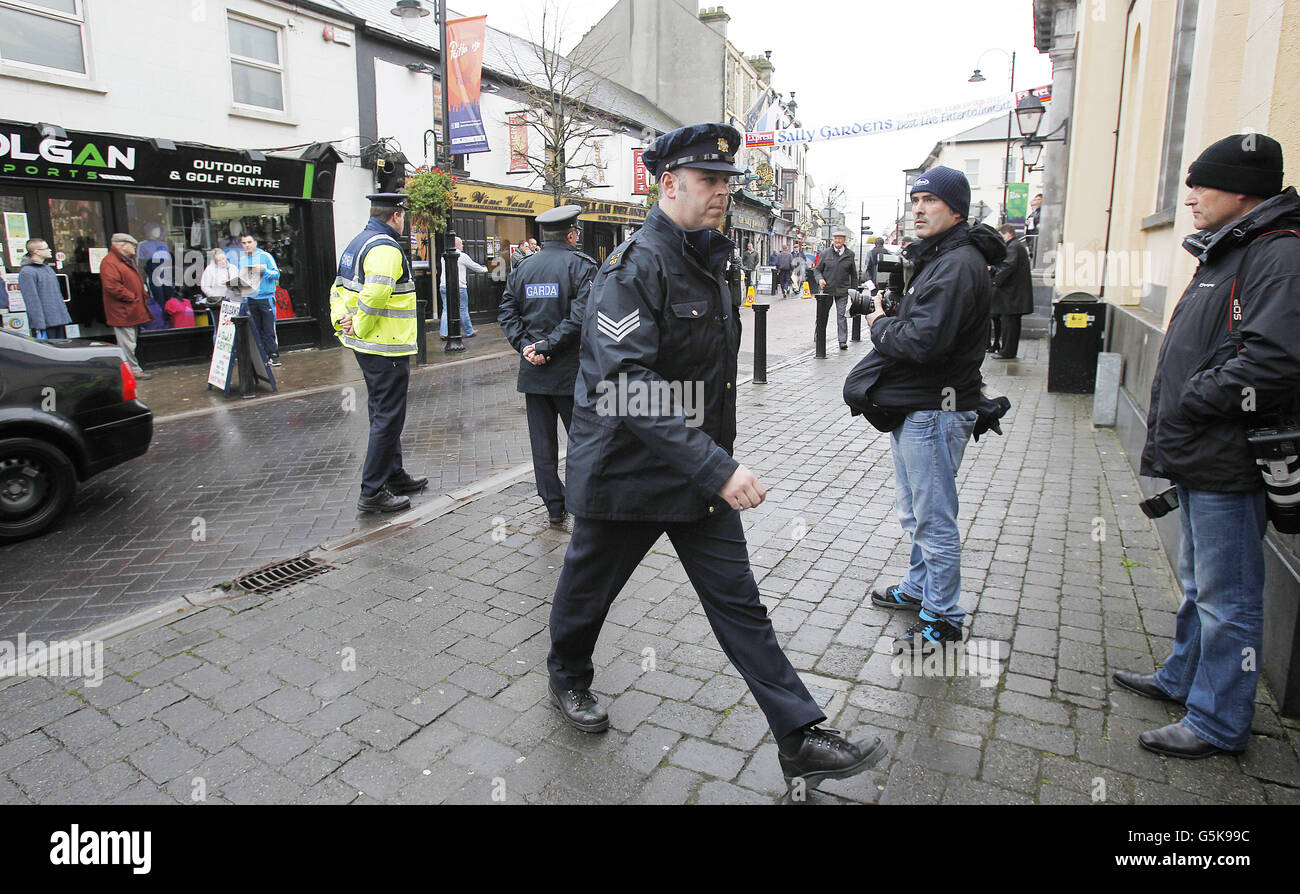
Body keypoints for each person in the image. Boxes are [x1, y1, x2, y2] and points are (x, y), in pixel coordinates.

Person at [547, 122, 886, 788]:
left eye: (726, 183)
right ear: (666, 184)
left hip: (695, 477)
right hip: (627, 475)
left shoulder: (712, 259)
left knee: (740, 605)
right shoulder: (633, 268)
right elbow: (624, 384)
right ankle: (567, 675)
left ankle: (799, 734)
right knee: (588, 593)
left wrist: (710, 464)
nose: (720, 194)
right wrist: (719, 466)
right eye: (708, 181)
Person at [1119, 134, 1300, 760]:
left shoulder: (1278, 255)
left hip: (1229, 459)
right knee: (1199, 584)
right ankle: (1183, 678)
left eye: (1201, 184)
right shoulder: (1229, 250)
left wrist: (1195, 397)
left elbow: (1273, 363)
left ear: (1243, 190)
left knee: (1229, 601)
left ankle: (1219, 722)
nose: (1188, 195)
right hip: (1203, 454)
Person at [853, 166, 1006, 653]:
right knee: (917, 511)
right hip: (921, 407)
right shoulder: (944, 259)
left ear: (956, 210)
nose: (919, 208)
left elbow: (924, 342)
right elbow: (929, 327)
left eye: (930, 201)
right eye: (915, 199)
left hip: (935, 410)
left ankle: (944, 615)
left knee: (933, 518)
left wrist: (879, 323)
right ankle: (919, 589)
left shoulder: (958, 264)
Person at [498, 205, 597, 525]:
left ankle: (554, 507)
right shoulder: (582, 267)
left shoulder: (524, 269)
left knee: (543, 447)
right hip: (570, 373)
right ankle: (584, 504)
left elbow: (507, 313)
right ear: (571, 235)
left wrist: (527, 347)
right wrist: (549, 347)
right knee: (582, 442)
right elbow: (581, 317)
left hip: (534, 373)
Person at [330, 193, 428, 513]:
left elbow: (339, 289)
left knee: (381, 412)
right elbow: (375, 294)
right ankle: (372, 490)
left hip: (366, 345)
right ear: (396, 216)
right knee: (388, 417)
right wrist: (358, 322)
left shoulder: (357, 242)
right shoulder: (385, 247)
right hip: (385, 346)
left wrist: (345, 322)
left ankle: (393, 474)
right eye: (403, 215)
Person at [99, 233, 154, 380]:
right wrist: (132, 297)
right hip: (123, 310)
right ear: (122, 245)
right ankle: (133, 370)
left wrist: (141, 294)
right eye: (132, 245)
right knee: (127, 343)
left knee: (130, 341)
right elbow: (112, 286)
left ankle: (130, 369)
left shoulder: (124, 260)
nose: (135, 248)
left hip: (131, 308)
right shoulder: (110, 262)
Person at [234, 234, 282, 366]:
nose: (247, 245)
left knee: (268, 328)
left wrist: (264, 270)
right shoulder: (242, 260)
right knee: (256, 328)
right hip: (250, 298)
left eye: (249, 242)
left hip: (265, 298)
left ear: (255, 243)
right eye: (244, 243)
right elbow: (242, 280)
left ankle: (273, 355)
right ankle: (262, 357)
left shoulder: (265, 256)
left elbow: (277, 274)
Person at [990, 224, 1034, 359]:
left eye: (1001, 235)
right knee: (1011, 324)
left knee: (1009, 324)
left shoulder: (1013, 247)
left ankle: (1007, 352)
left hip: (1012, 296)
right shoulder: (1016, 246)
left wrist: (995, 280)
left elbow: (1008, 266)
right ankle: (1007, 350)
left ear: (1007, 234)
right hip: (1015, 295)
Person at [18, 237, 72, 339]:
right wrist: (38, 325)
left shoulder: (48, 269)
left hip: (58, 319)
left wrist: (64, 315)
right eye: (46, 248)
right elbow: (32, 301)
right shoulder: (27, 272)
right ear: (37, 252)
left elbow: (57, 295)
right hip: (45, 323)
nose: (50, 250)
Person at [814, 227, 857, 354]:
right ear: (833, 240)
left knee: (841, 316)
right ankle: (819, 334)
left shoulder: (850, 254)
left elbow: (853, 274)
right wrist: (820, 279)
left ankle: (842, 341)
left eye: (840, 238)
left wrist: (854, 292)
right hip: (827, 289)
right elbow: (817, 270)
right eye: (836, 238)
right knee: (822, 315)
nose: (837, 240)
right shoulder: (826, 253)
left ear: (844, 240)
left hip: (842, 290)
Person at [439, 235, 487, 339]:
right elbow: (475, 267)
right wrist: (485, 269)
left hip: (443, 286)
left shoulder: (444, 256)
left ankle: (444, 333)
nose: (463, 245)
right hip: (458, 287)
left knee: (446, 309)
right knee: (463, 309)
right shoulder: (461, 256)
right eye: (461, 243)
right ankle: (469, 331)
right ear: (457, 244)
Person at [137, 223, 171, 331]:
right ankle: (159, 323)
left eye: (158, 230)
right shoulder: (143, 245)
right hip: (152, 275)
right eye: (154, 230)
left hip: (165, 275)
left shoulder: (164, 244)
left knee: (168, 300)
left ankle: (167, 322)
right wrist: (142, 280)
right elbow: (141, 264)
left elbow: (168, 261)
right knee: (157, 300)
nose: (157, 232)